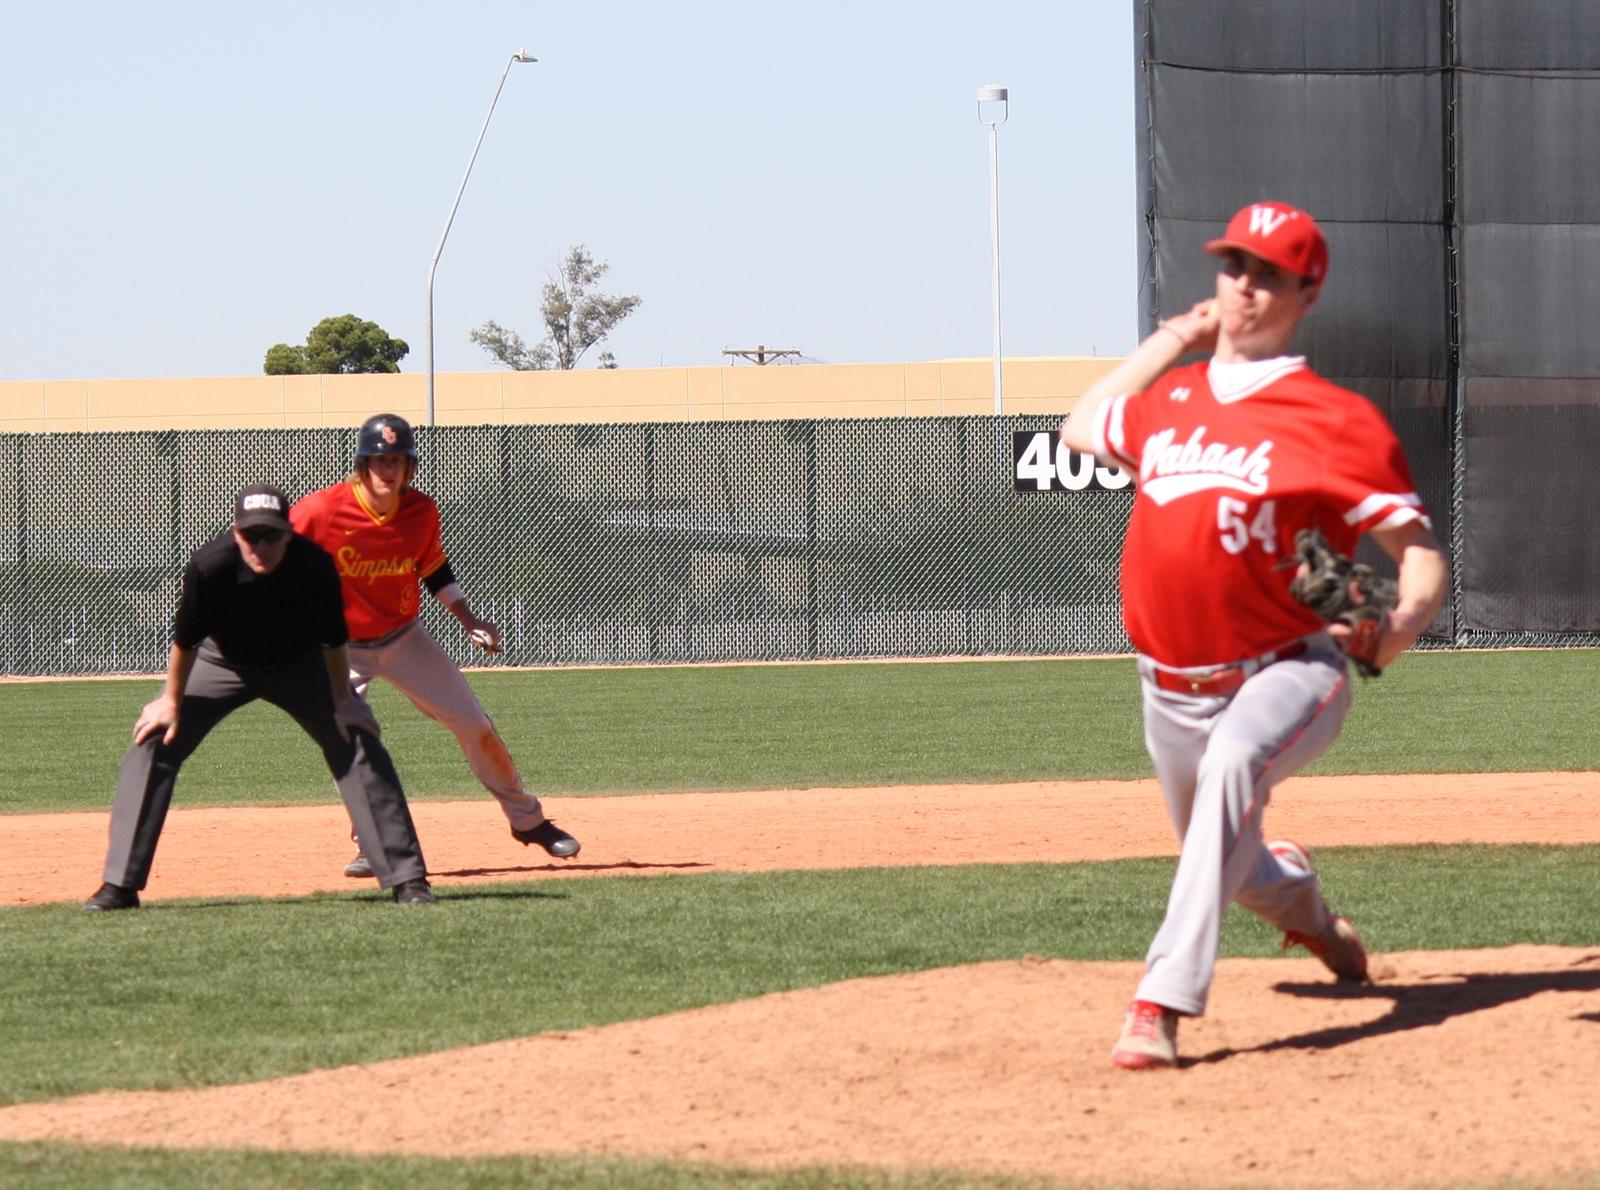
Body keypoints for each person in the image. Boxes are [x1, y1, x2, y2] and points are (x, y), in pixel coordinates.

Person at [1058, 200, 1449, 1070]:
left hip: (1285, 670)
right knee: (1229, 859)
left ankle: (1158, 1002)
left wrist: (1401, 626)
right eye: (1235, 265)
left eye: (1269, 273)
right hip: (1167, 683)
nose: (1245, 285)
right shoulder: (1173, 403)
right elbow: (1083, 425)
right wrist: (1174, 337)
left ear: (1307, 293)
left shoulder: (1336, 420)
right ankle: (1311, 913)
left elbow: (1417, 551)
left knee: (1236, 768)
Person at [85, 484, 435, 910]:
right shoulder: (210, 565)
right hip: (220, 662)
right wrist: (171, 701)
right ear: (235, 533)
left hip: (299, 663)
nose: (261, 546)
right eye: (252, 535)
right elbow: (186, 640)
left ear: (289, 533)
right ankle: (119, 885)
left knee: (355, 737)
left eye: (271, 535)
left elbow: (332, 641)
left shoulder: (315, 566)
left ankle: (408, 880)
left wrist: (344, 701)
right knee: (154, 740)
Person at [290, 413, 580, 878]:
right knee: (354, 740)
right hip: (339, 649)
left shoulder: (420, 510)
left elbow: (433, 569)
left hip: (404, 637)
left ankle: (529, 822)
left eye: (398, 460)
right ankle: (372, 842)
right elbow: (271, 550)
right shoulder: (321, 511)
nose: (388, 468)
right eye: (379, 459)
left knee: (474, 724)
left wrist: (469, 619)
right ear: (363, 465)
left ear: (411, 467)